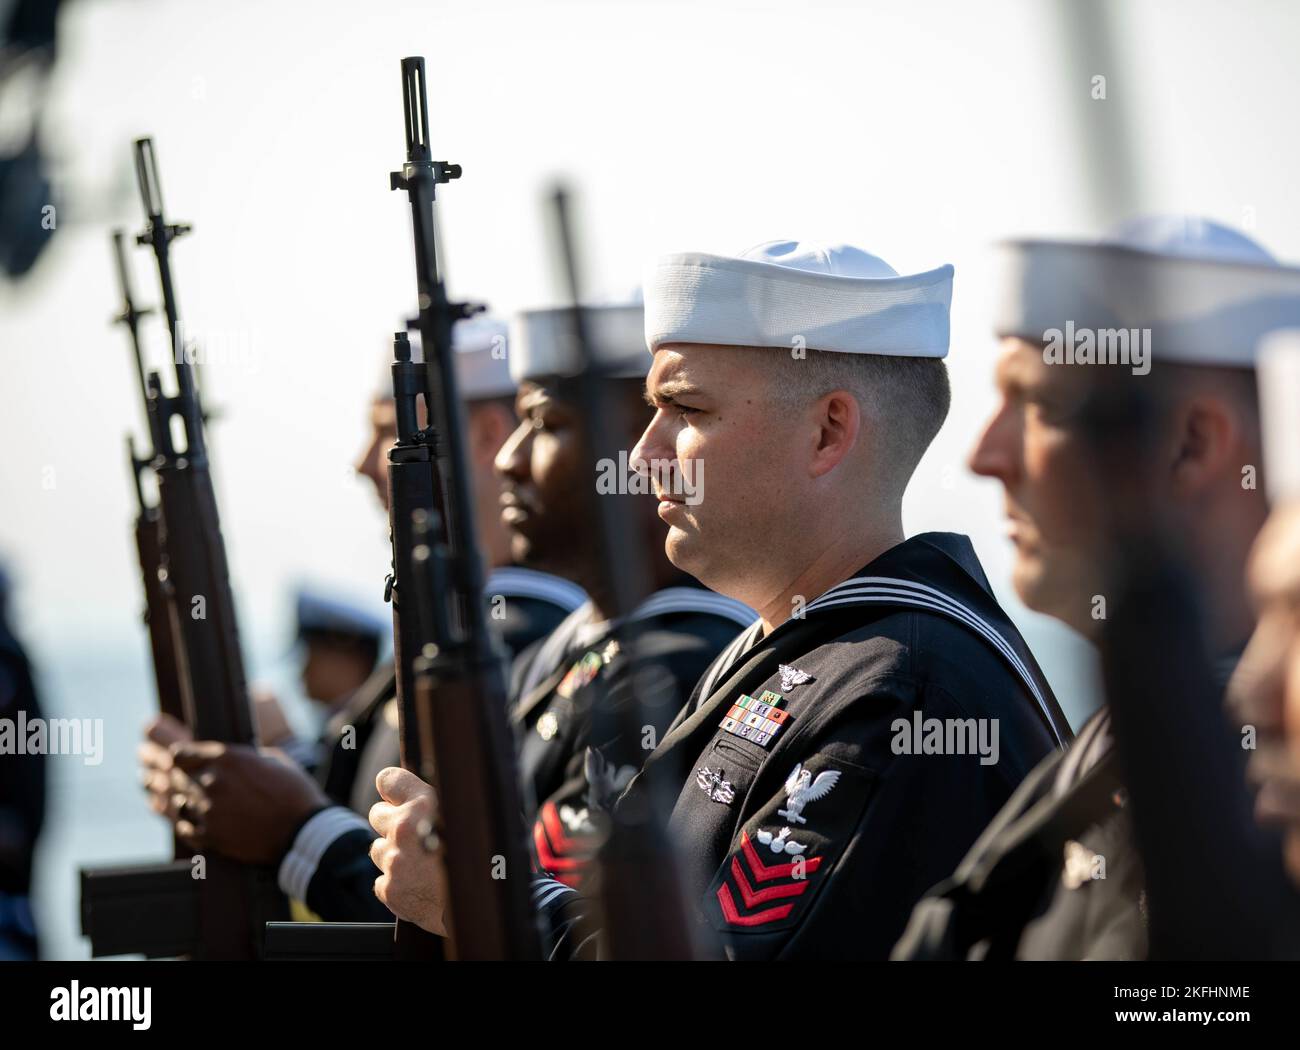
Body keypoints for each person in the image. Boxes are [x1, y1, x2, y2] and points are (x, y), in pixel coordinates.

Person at [370, 240, 1071, 959]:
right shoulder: (800, 654)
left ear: (828, 431)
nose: (645, 455)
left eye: (686, 409)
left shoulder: (903, 691)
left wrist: (486, 904)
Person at [895, 216, 1300, 960]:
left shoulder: (1256, 790)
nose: (986, 455)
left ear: (1193, 444)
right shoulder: (1117, 737)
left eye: (1043, 404)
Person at [137, 317, 586, 922]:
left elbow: (452, 904)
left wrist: (298, 829)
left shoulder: (523, 645)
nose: (362, 463)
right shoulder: (455, 628)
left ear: (485, 435)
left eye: (389, 433)